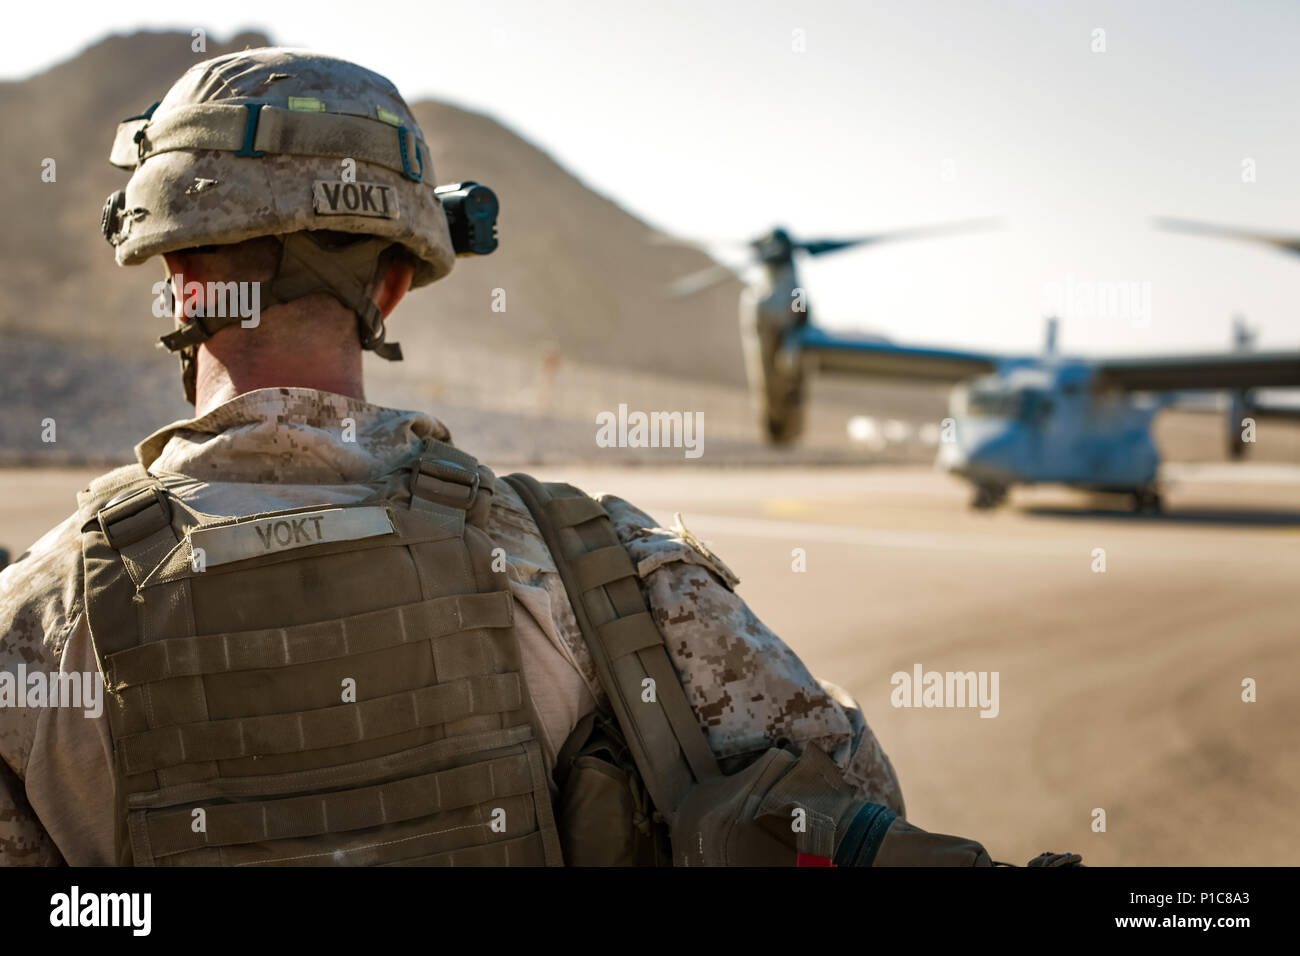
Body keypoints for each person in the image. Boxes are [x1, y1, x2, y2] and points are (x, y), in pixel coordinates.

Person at [0, 47, 910, 867]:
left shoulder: (32, 627)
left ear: (179, 279)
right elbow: (855, 806)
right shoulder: (603, 575)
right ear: (392, 287)